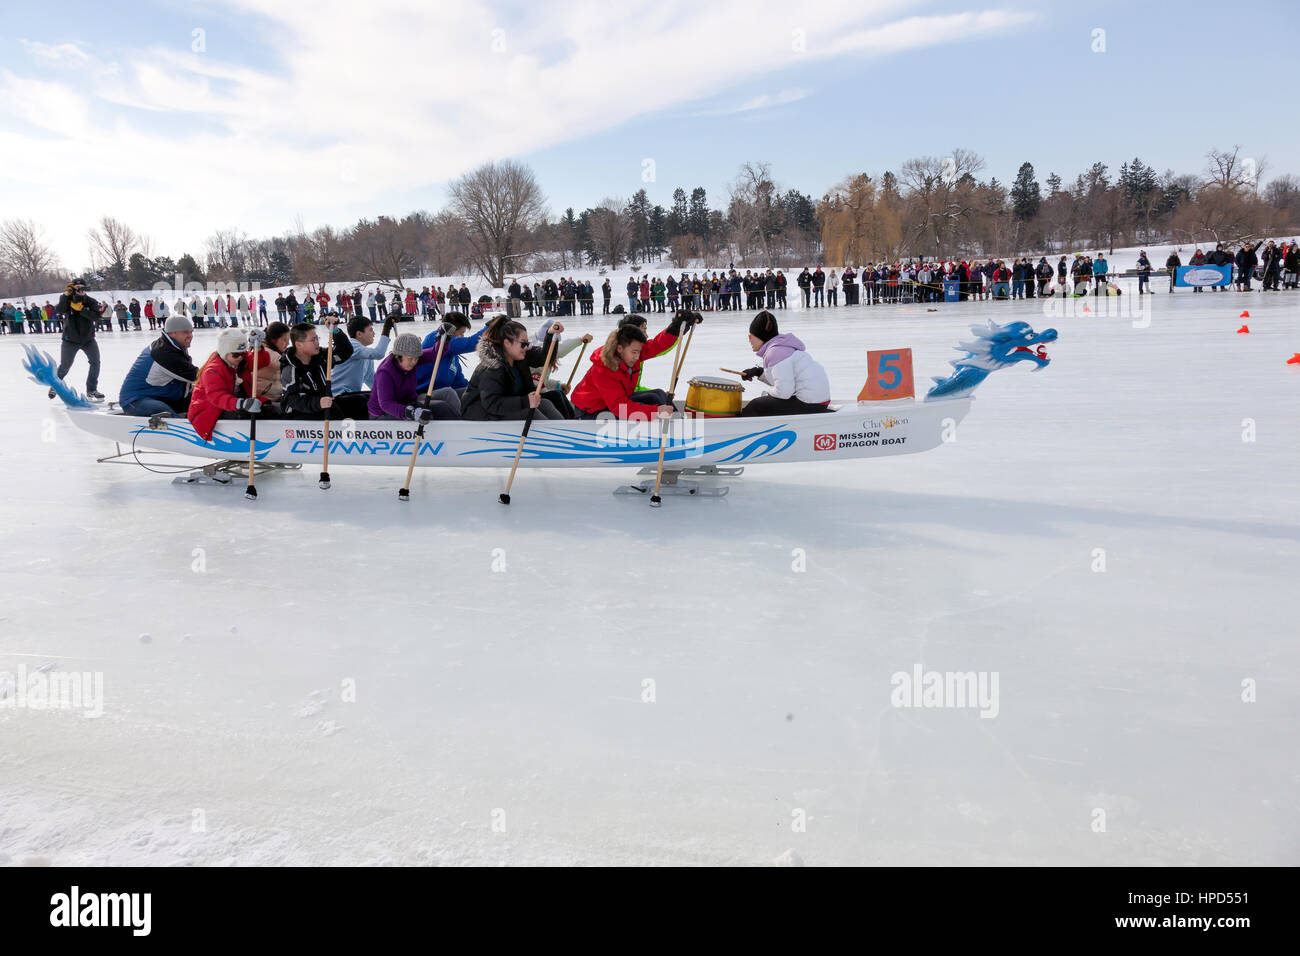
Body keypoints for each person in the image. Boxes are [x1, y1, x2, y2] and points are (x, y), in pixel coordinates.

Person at [570, 312, 699, 420]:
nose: (638, 357)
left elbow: (655, 346)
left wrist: (676, 327)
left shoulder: (630, 351)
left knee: (658, 395)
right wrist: (656, 411)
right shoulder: (605, 369)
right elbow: (620, 408)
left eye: (638, 352)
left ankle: (679, 427)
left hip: (611, 404)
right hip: (590, 413)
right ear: (620, 348)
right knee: (645, 410)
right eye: (635, 353)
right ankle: (668, 433)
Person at [461, 319, 562, 421]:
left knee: (545, 403)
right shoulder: (492, 368)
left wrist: (550, 335)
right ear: (507, 343)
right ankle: (554, 435)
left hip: (501, 409)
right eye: (523, 343)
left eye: (527, 343)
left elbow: (545, 357)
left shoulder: (518, 356)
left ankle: (568, 430)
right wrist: (524, 401)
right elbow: (492, 403)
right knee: (529, 412)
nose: (526, 347)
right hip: (480, 415)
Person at [737, 311, 831, 417]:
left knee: (755, 406)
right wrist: (758, 372)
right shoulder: (781, 348)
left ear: (761, 336)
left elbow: (783, 392)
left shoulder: (776, 353)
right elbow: (782, 380)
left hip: (809, 403)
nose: (749, 341)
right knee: (763, 402)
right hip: (816, 400)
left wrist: (768, 393)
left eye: (751, 336)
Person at [189, 329, 262, 441]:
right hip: (210, 414)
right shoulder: (213, 370)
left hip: (232, 406)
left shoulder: (237, 361)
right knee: (252, 414)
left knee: (267, 408)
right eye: (236, 355)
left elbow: (261, 361)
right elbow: (216, 397)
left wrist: (258, 347)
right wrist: (241, 404)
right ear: (225, 352)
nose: (241, 357)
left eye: (243, 353)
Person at [118, 315, 199, 417]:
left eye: (191, 332)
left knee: (204, 401)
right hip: (135, 400)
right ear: (172, 333)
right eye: (185, 332)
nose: (190, 335)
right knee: (168, 416)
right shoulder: (164, 353)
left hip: (162, 395)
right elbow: (195, 375)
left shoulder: (175, 346)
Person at [368, 334, 461, 421]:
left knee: (448, 393)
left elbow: (435, 353)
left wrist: (444, 340)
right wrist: (410, 412)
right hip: (384, 414)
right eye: (410, 358)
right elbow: (386, 404)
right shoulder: (385, 372)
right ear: (397, 355)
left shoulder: (412, 358)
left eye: (416, 358)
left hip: (409, 402)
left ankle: (461, 424)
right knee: (433, 412)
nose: (414, 362)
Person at [280, 318, 353, 418]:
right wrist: (318, 403)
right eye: (313, 340)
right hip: (302, 416)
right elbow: (293, 399)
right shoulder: (291, 369)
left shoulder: (320, 357)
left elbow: (345, 352)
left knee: (360, 401)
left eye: (317, 338)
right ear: (299, 345)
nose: (317, 342)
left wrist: (335, 330)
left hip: (325, 406)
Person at [330, 314, 397, 419]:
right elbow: (378, 353)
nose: (374, 334)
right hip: (338, 397)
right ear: (359, 334)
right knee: (373, 402)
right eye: (370, 330)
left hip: (351, 396)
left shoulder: (364, 354)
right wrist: (387, 328)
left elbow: (373, 382)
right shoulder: (352, 345)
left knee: (381, 398)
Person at [51, 281, 104, 401]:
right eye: (77, 288)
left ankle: (92, 390)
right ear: (73, 288)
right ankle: (55, 386)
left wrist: (81, 310)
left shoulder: (90, 301)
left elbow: (96, 317)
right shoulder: (66, 299)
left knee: (95, 363)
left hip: (88, 339)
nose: (80, 290)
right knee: (65, 365)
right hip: (70, 339)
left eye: (82, 287)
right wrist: (65, 296)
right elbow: (59, 310)